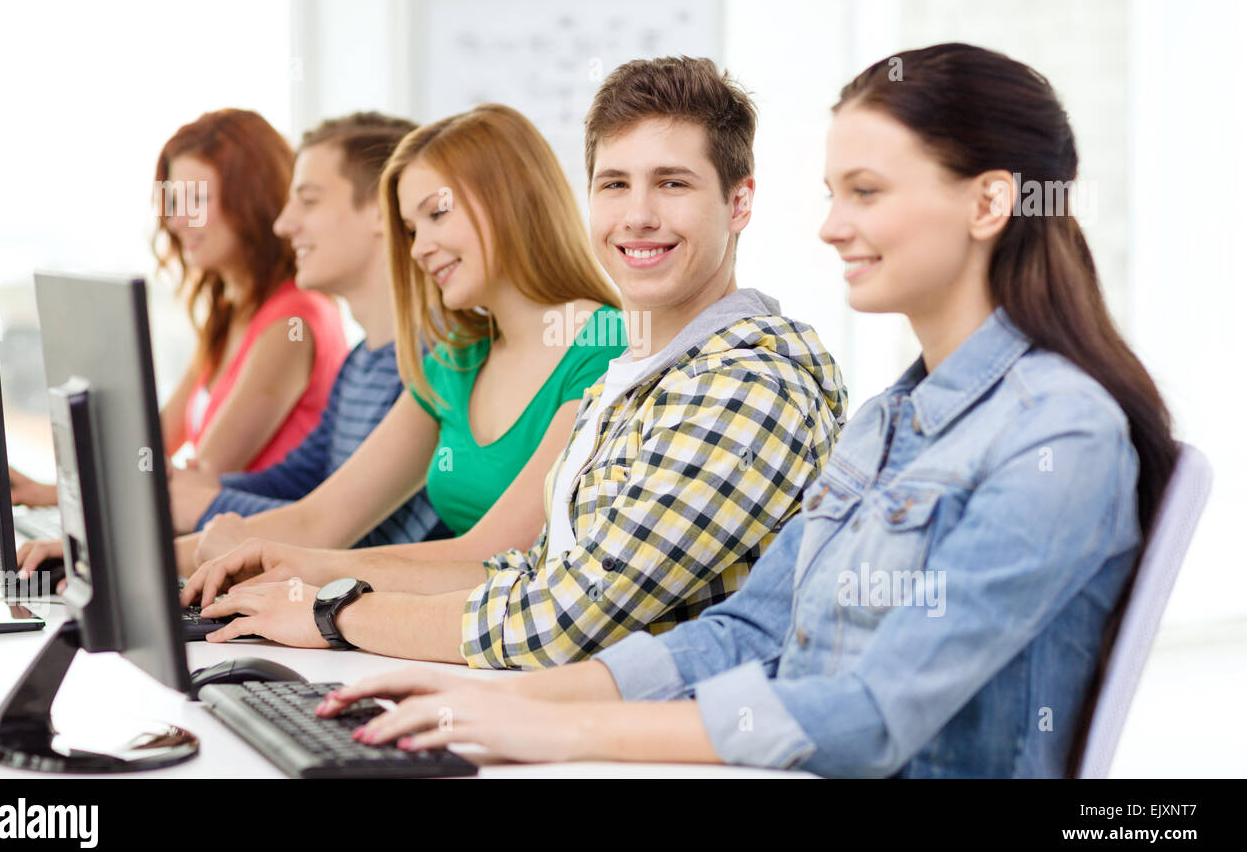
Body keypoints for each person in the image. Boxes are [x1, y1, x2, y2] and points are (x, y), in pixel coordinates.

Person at [313, 43, 1178, 779]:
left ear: (990, 203)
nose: (832, 227)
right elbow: (749, 631)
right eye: (834, 193)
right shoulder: (891, 419)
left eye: (866, 193)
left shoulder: (1059, 433)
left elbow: (872, 715)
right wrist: (492, 701)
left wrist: (552, 726)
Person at [181, 57, 848, 669]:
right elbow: (524, 571)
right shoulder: (632, 380)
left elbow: (565, 615)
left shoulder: (744, 382)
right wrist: (297, 570)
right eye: (614, 184)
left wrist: (333, 604)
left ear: (740, 203)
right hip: (566, 708)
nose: (638, 214)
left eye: (672, 183)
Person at [170, 103, 628, 577]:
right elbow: (319, 520)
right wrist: (136, 566)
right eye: (411, 228)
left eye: (437, 214)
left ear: (508, 199)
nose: (418, 248)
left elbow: (489, 553)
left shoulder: (610, 348)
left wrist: (285, 561)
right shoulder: (456, 362)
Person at [10, 108, 349, 515]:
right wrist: (55, 489)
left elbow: (192, 483)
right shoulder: (231, 313)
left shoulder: (292, 324)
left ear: (252, 197)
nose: (176, 220)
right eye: (173, 201)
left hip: (251, 559)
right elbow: (150, 448)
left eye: (197, 199)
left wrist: (57, 498)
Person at [164, 112, 443, 548]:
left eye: (308, 201)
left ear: (381, 210)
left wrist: (204, 505)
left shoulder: (437, 365)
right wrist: (203, 494)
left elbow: (358, 538)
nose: (284, 224)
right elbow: (300, 481)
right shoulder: (361, 363)